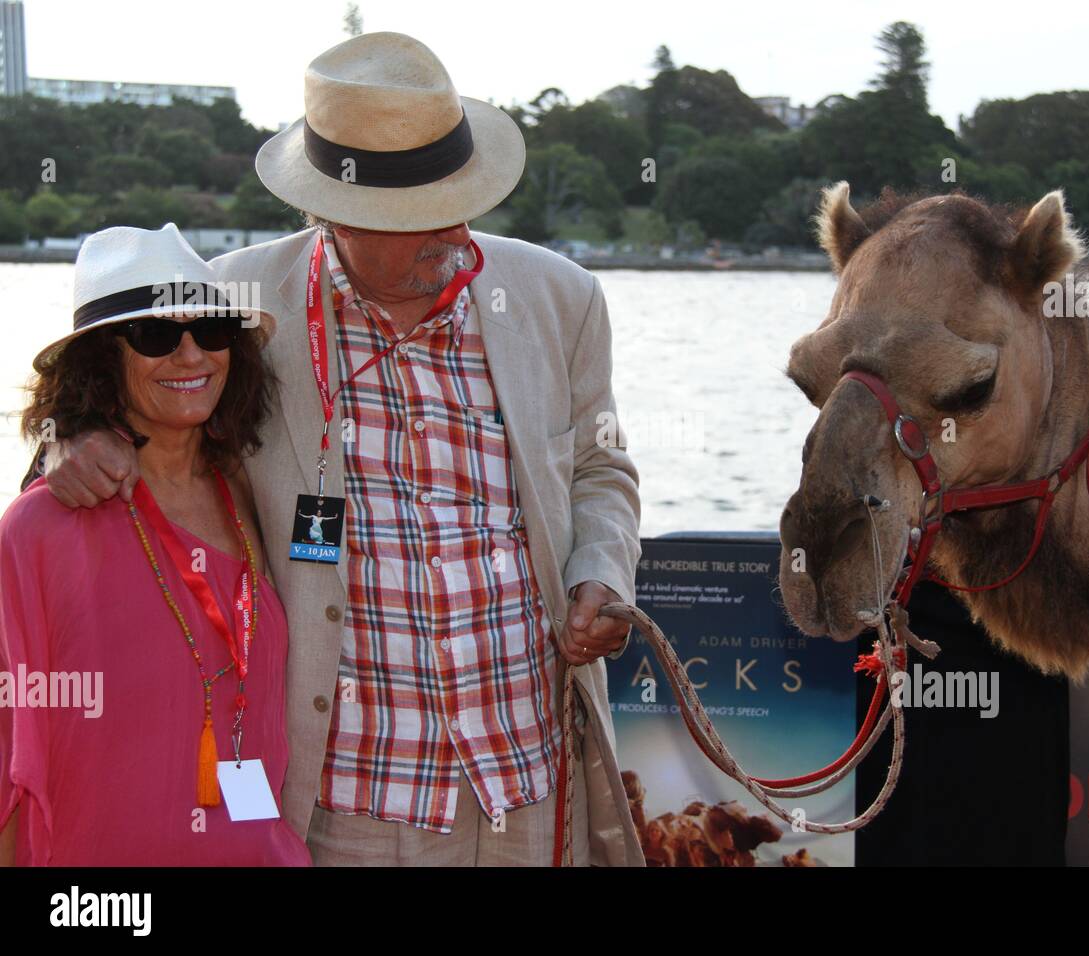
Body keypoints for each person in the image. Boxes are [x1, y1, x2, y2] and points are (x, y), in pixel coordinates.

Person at [39, 32, 644, 866]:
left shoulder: (561, 296)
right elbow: (123, 379)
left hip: (533, 787)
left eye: (459, 197)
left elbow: (601, 466)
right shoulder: (236, 302)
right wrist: (69, 437)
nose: (453, 231)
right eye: (416, 215)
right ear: (335, 217)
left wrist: (601, 570)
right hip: (344, 808)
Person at [0, 224, 310, 865]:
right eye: (156, 335)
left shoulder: (254, 495)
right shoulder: (42, 528)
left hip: (254, 849)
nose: (192, 356)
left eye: (214, 330)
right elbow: (11, 750)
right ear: (101, 358)